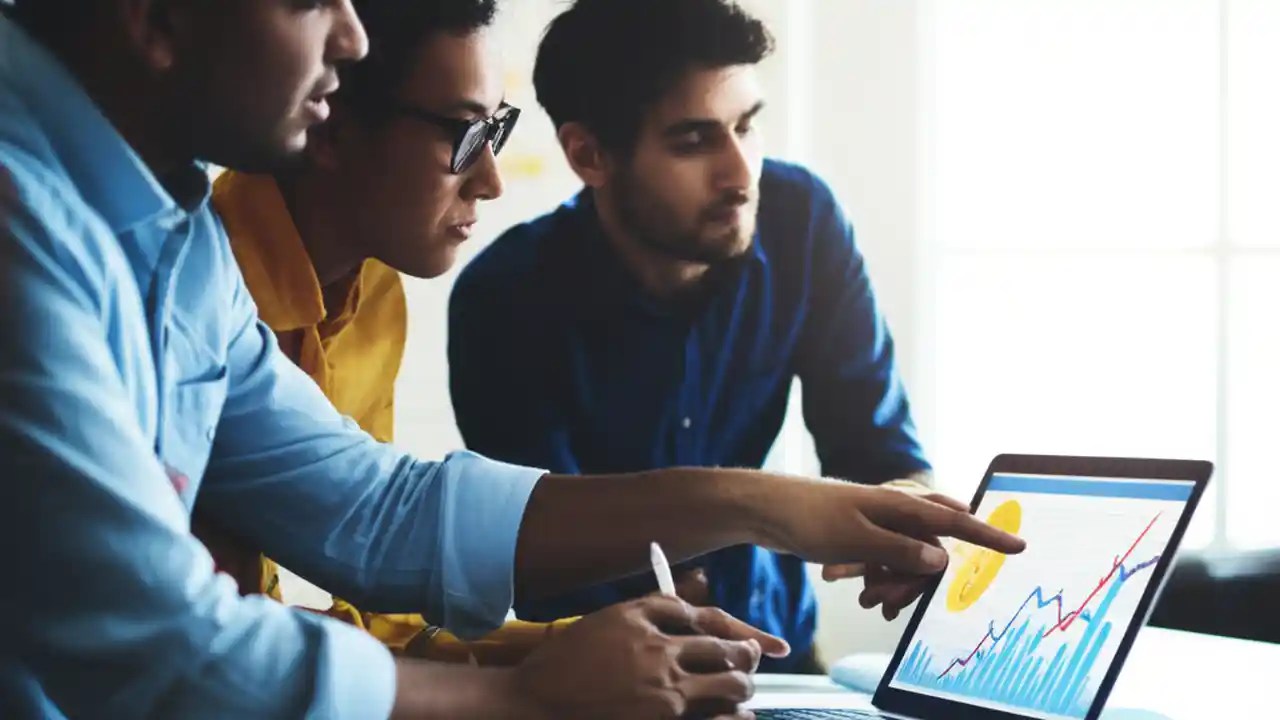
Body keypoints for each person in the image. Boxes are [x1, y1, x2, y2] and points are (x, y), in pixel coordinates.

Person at [0, 1, 1022, 718]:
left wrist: (767, 505)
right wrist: (520, 697)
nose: (348, 35)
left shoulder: (169, 229)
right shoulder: (22, 225)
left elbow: (378, 509)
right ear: (155, 15)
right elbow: (168, 653)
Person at [449, 0, 931, 673]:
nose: (740, 175)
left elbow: (880, 455)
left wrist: (906, 525)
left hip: (781, 654)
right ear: (590, 155)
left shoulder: (804, 221)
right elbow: (532, 551)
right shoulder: (503, 299)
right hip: (603, 674)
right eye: (694, 141)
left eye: (747, 126)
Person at [198, 0, 577, 664]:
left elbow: (378, 594)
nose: (489, 181)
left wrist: (567, 645)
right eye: (464, 132)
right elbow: (218, 645)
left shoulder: (373, 292)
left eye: (497, 130)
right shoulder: (196, 287)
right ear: (330, 122)